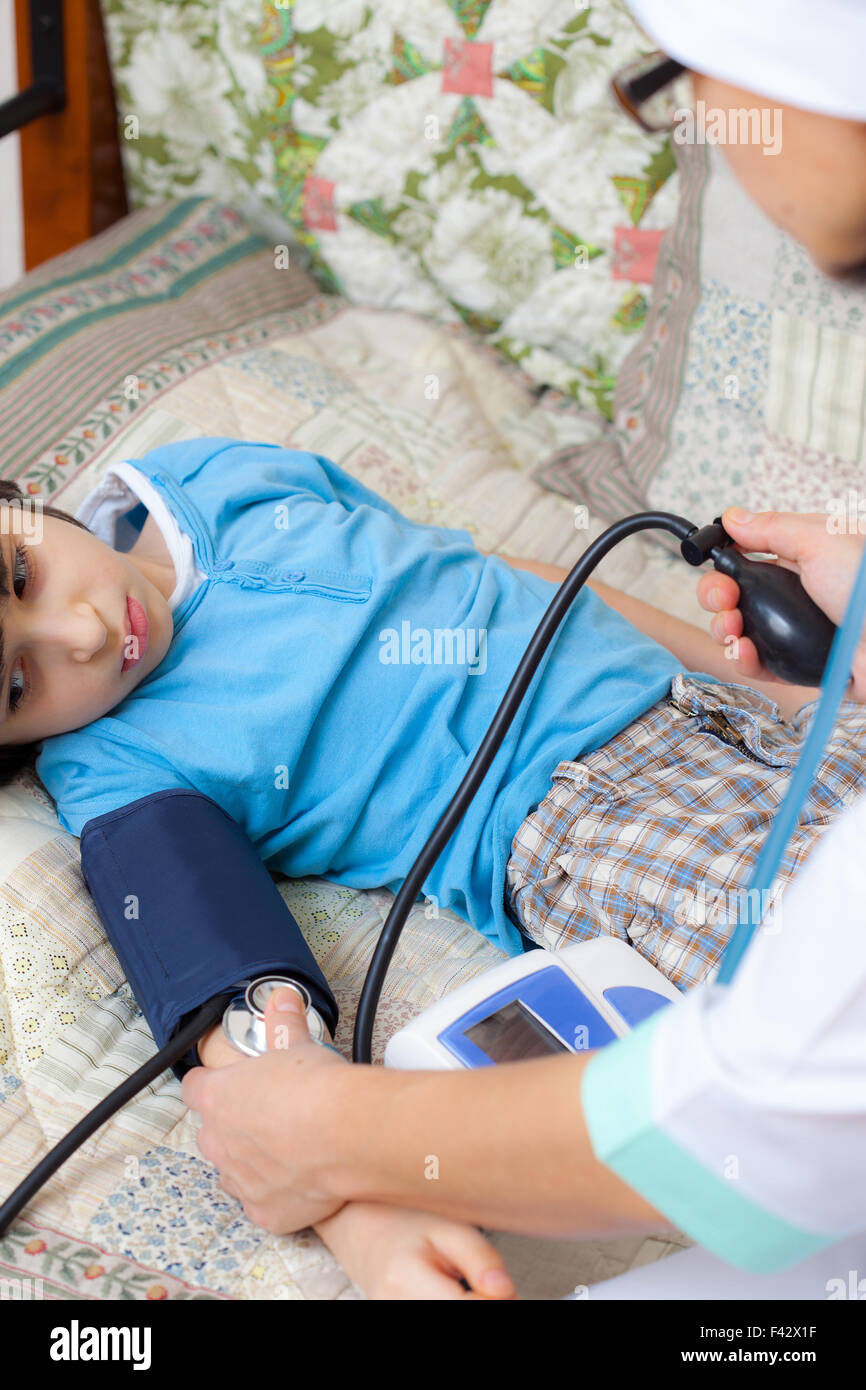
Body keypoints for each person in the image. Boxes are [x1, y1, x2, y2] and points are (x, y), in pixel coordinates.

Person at [173, 0, 866, 1298]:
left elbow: (779, 1112)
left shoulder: (216, 478)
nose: (715, 125)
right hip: (582, 811)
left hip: (691, 707)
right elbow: (213, 965)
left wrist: (331, 1144)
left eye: (690, 78)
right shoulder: (117, 754)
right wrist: (356, 1209)